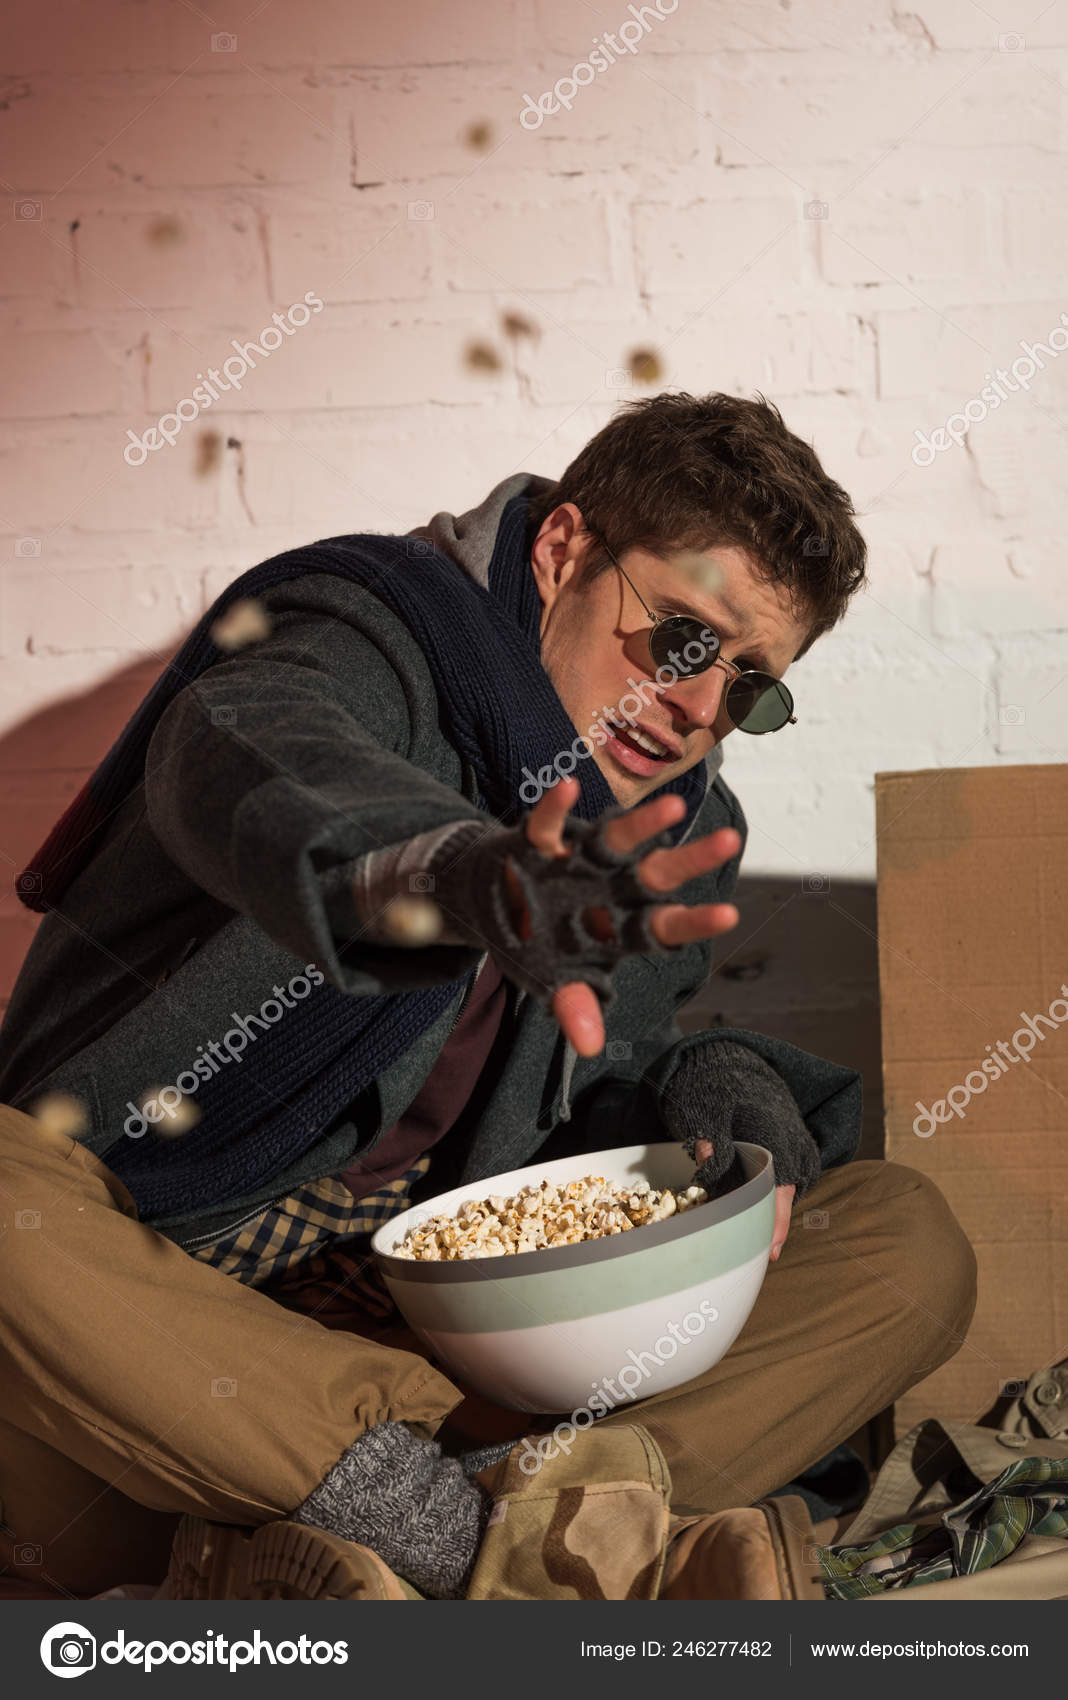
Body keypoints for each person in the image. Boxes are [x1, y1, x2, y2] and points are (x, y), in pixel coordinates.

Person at [0, 392, 976, 1601]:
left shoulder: (676, 831)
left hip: (453, 1343)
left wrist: (715, 1097)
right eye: (680, 639)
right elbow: (251, 752)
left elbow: (582, 1107)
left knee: (906, 1239)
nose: (693, 708)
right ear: (564, 549)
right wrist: (460, 872)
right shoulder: (360, 632)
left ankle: (472, 1535)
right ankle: (516, 1539)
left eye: (747, 688)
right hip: (157, 1355)